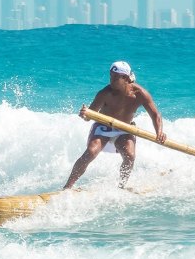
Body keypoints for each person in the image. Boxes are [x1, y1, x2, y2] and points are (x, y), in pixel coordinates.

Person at [63, 61, 166, 190]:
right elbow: (89, 117)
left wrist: (159, 132)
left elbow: (156, 114)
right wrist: (85, 114)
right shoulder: (105, 93)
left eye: (116, 77)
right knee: (90, 152)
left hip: (125, 129)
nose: (112, 80)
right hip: (103, 127)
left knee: (130, 156)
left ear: (126, 78)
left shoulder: (140, 94)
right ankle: (67, 187)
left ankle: (121, 187)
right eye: (111, 76)